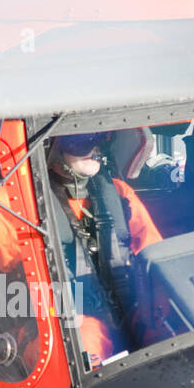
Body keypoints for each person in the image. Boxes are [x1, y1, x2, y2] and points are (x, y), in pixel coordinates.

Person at [44, 132, 163, 366]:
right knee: (84, 343)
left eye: (99, 139)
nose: (94, 147)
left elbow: (156, 258)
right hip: (66, 320)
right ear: (52, 150)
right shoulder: (29, 204)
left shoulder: (118, 194)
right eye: (81, 141)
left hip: (128, 308)